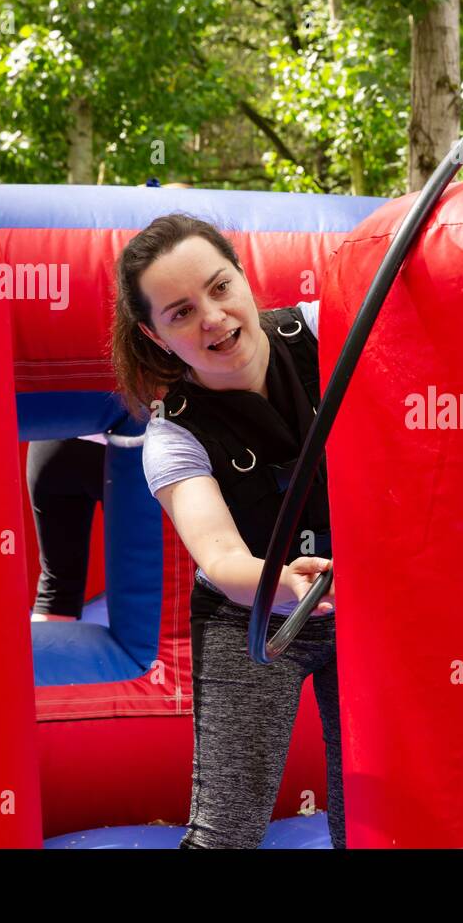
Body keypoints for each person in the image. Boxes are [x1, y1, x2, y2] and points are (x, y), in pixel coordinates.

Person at [111, 213, 342, 849]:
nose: (211, 318)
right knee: (227, 833)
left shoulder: (324, 328)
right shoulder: (173, 435)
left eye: (219, 287)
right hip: (256, 620)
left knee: (371, 817)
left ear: (243, 276)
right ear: (154, 336)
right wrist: (295, 585)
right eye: (180, 313)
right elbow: (220, 558)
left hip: (363, 613)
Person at [27, 435, 106, 622]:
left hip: (51, 443)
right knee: (143, 584)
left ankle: (40, 652)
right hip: (122, 443)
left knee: (56, 589)